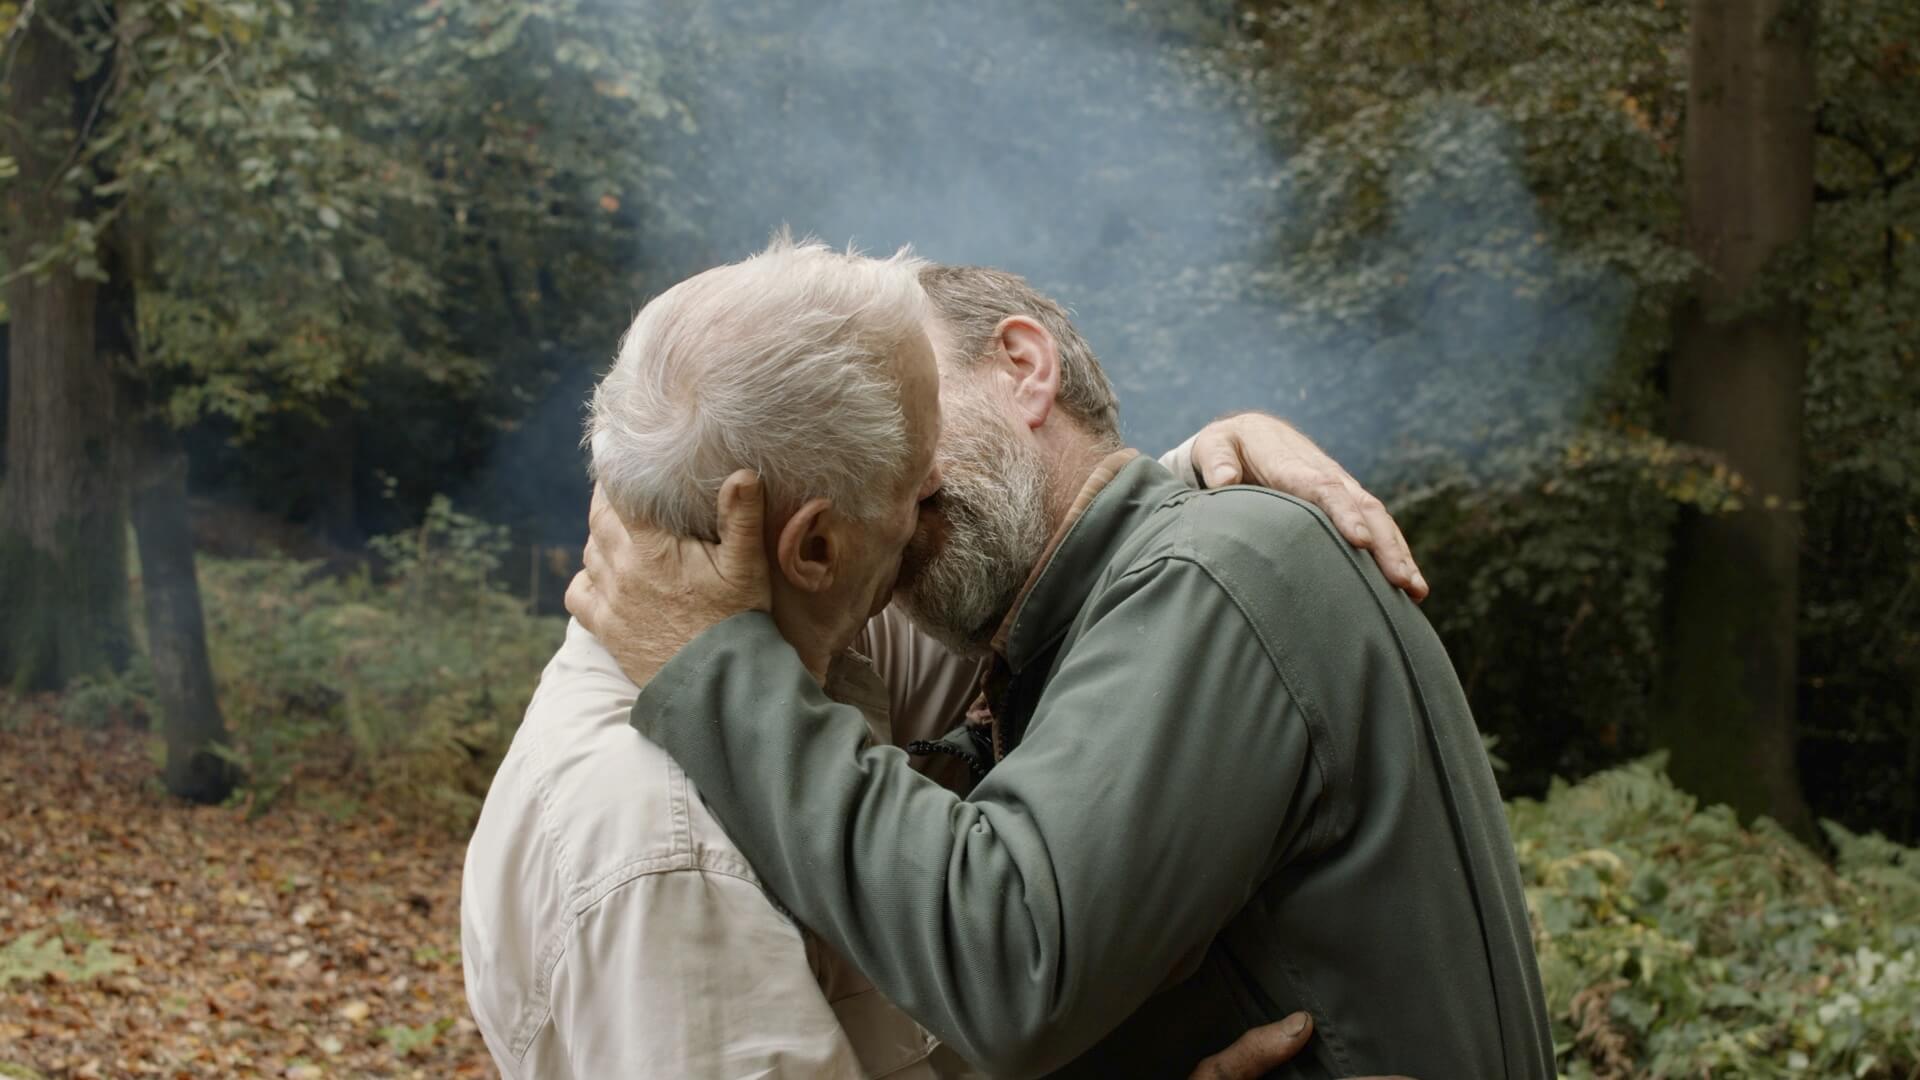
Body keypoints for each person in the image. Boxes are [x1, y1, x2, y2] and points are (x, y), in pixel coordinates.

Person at [462, 237, 1424, 1078]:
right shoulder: (664, 851)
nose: (933, 500)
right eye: (916, 485)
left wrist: (1185, 500)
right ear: (815, 547)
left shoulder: (822, 644)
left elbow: (1045, 565)